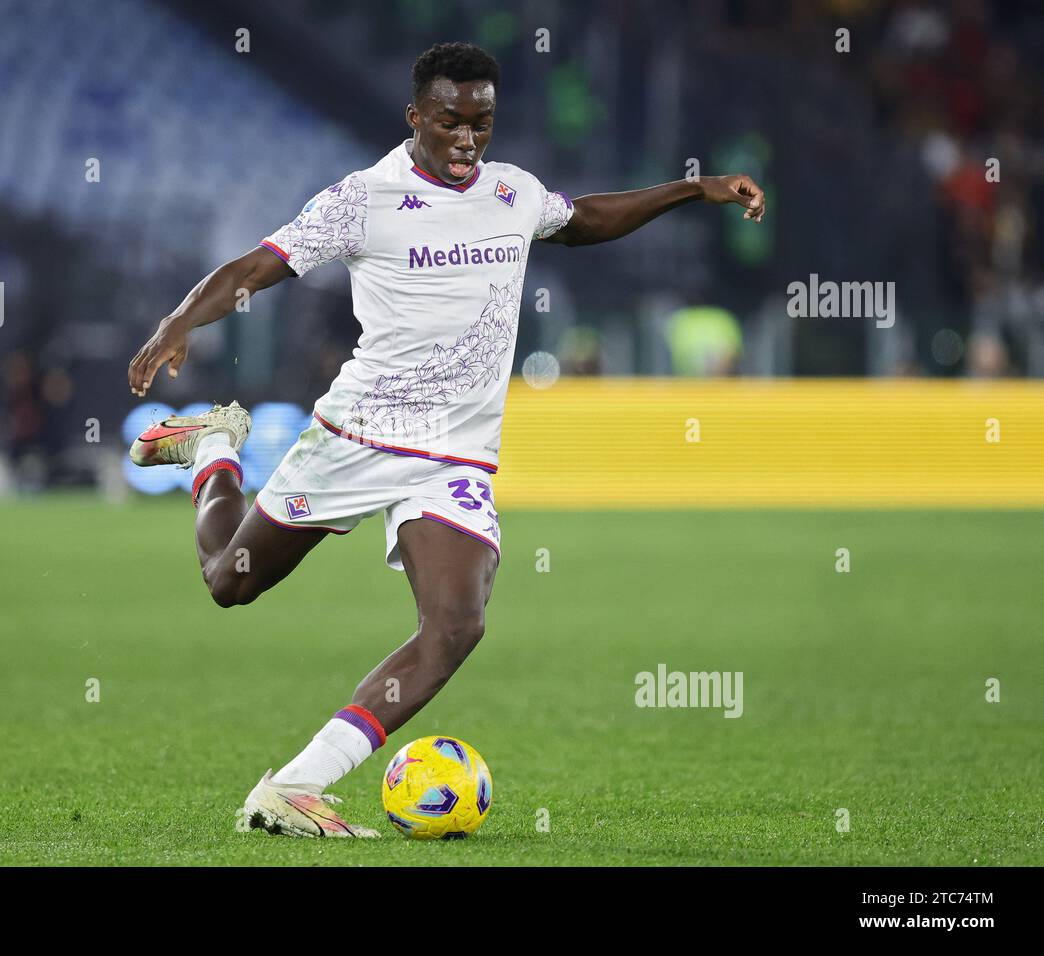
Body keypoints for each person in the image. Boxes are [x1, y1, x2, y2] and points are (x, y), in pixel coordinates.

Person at [126, 42, 765, 837]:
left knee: (458, 625)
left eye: (482, 123)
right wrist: (179, 321)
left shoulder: (511, 192)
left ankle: (294, 787)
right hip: (359, 434)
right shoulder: (364, 199)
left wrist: (692, 189)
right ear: (416, 118)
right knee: (230, 582)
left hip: (455, 455)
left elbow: (587, 219)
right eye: (451, 122)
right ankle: (217, 448)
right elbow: (257, 266)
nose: (468, 139)